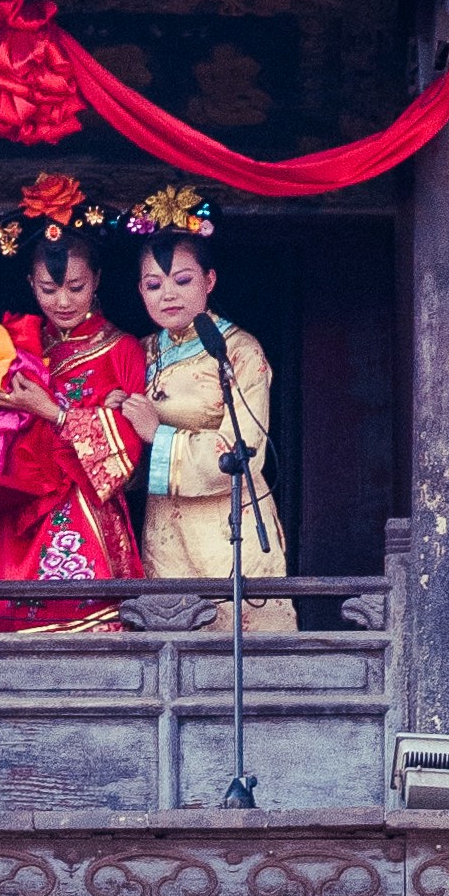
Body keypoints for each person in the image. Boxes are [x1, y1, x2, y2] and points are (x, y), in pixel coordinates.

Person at [0, 173, 147, 633]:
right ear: (31, 283)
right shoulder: (15, 347)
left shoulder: (122, 349)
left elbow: (126, 457)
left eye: (76, 287)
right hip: (16, 514)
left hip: (86, 514)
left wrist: (54, 413)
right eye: (49, 291)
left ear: (98, 281)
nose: (63, 301)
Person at [128, 183, 296, 635]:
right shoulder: (138, 352)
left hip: (228, 529)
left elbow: (245, 450)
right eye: (153, 284)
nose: (168, 295)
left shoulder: (238, 351)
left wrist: (155, 435)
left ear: (210, 280)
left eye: (182, 281)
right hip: (163, 529)